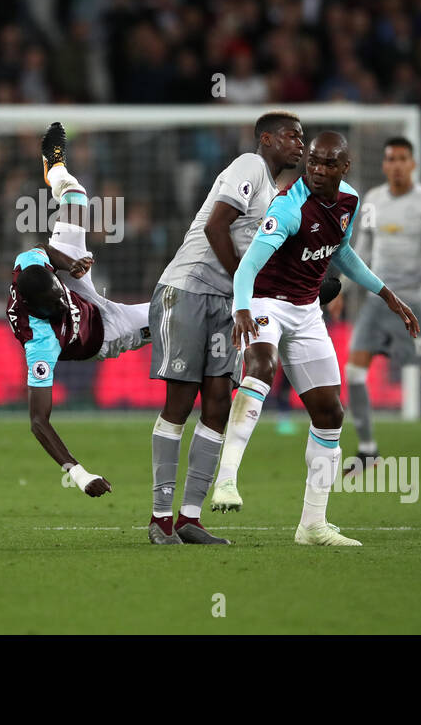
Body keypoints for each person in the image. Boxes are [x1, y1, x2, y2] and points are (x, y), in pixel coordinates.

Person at [227, 133, 418, 546]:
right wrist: (241, 309)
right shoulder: (289, 207)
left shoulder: (349, 200)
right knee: (261, 367)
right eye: (313, 161)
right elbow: (246, 269)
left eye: (329, 164)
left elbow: (342, 252)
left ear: (344, 167)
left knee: (331, 414)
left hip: (306, 309)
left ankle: (312, 525)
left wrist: (386, 293)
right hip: (264, 302)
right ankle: (227, 479)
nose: (317, 170)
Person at [148, 110, 304, 545]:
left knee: (218, 402)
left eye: (302, 137)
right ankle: (160, 519)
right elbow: (217, 225)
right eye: (292, 136)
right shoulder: (248, 166)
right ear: (267, 139)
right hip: (189, 288)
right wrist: (245, 292)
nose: (300, 144)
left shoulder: (276, 193)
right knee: (180, 401)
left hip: (225, 302)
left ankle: (189, 518)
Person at [8, 123, 151, 499]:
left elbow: (42, 247)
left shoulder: (30, 266)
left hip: (76, 285)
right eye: (54, 302)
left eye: (57, 294)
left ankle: (53, 164)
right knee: (179, 314)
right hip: (104, 331)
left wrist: (66, 270)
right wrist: (78, 472)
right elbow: (38, 421)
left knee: (75, 196)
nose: (60, 301)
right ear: (41, 310)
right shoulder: (39, 342)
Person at [328, 137, 421, 479]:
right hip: (379, 299)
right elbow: (362, 249)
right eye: (391, 159)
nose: (397, 165)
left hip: (417, 299)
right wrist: (341, 286)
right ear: (384, 164)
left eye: (403, 158)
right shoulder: (372, 200)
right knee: (355, 372)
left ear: (413, 164)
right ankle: (368, 450)